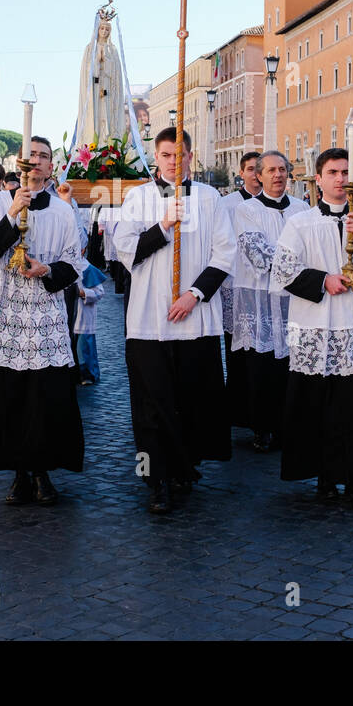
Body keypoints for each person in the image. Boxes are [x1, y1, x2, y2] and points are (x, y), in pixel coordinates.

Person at [115, 127, 235, 515]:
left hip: (194, 318)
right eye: (165, 155)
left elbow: (225, 253)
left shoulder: (209, 197)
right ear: (156, 157)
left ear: (189, 156)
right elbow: (124, 250)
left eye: (178, 154)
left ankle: (185, 466)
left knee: (191, 400)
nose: (172, 161)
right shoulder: (138, 198)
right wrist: (164, 225)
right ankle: (158, 479)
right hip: (150, 320)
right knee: (154, 404)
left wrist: (194, 294)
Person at [271, 148, 353, 507]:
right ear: (319, 178)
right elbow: (282, 270)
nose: (341, 178)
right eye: (333, 172)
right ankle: (325, 477)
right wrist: (323, 280)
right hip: (314, 325)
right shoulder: (301, 223)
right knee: (319, 405)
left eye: (345, 172)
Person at [0, 135, 85, 505]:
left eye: (43, 157)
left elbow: (74, 264)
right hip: (7, 312)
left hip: (46, 313)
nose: (36, 162)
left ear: (51, 167)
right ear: (18, 163)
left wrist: (46, 269)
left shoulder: (62, 210)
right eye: (30, 156)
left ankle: (43, 472)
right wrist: (11, 211)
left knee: (46, 396)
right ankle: (18, 473)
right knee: (10, 395)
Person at [230, 150, 308, 451]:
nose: (278, 175)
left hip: (295, 302)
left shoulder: (302, 208)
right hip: (260, 299)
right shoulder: (247, 210)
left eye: (283, 170)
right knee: (261, 367)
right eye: (271, 170)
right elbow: (259, 255)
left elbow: (310, 249)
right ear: (258, 176)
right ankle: (262, 427)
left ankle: (290, 425)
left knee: (293, 365)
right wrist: (297, 267)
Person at [218, 151, 261, 417]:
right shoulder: (229, 204)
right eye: (250, 169)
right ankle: (237, 407)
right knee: (237, 349)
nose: (255, 174)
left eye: (260, 169)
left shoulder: (276, 204)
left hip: (266, 287)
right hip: (235, 282)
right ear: (242, 173)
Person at [74, 271, 103, 385]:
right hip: (68, 316)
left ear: (82, 251)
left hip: (83, 317)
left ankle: (87, 374)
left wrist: (83, 293)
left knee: (83, 348)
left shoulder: (88, 269)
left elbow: (99, 292)